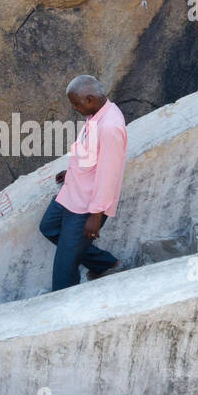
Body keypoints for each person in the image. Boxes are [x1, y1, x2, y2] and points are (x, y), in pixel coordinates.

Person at [39, 74, 128, 290]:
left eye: (76, 103)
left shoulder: (109, 127)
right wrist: (72, 171)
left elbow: (109, 174)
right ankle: (104, 262)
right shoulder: (96, 114)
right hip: (72, 192)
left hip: (86, 207)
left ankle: (66, 310)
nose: (74, 108)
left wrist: (96, 215)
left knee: (63, 272)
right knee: (48, 227)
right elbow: (90, 153)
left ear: (89, 99)